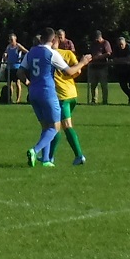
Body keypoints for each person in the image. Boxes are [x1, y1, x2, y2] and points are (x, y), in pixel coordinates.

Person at [51, 31, 93, 164]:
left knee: (64, 125)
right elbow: (78, 71)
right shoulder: (68, 54)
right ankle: (49, 157)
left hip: (61, 95)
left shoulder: (48, 55)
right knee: (57, 125)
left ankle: (79, 155)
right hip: (72, 94)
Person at [111, 34, 130, 105]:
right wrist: (123, 60)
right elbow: (114, 59)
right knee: (123, 85)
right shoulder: (116, 48)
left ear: (125, 43)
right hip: (121, 69)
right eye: (119, 45)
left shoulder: (129, 46)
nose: (120, 46)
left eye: (122, 44)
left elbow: (128, 59)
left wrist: (119, 60)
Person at [87, 31, 112, 104]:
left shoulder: (105, 43)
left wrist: (99, 57)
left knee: (103, 85)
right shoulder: (93, 44)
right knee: (93, 85)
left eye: (97, 38)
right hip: (93, 66)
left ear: (100, 36)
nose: (96, 40)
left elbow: (108, 53)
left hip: (102, 67)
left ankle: (105, 100)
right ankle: (94, 100)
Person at [3, 34, 27, 104]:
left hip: (16, 67)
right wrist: (5, 56)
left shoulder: (18, 46)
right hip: (9, 67)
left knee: (17, 83)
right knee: (9, 84)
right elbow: (6, 53)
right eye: (9, 39)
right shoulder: (8, 47)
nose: (10, 41)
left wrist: (21, 58)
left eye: (11, 40)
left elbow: (27, 52)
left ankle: (18, 99)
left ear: (15, 39)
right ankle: (9, 98)